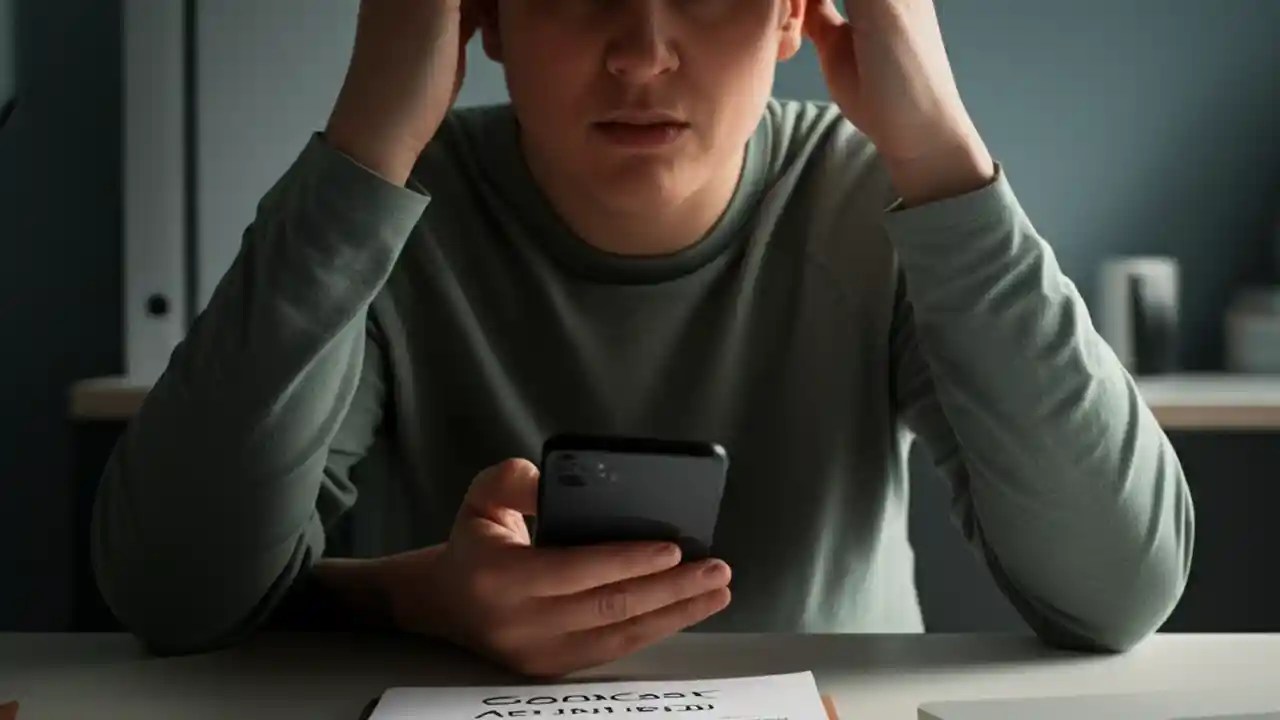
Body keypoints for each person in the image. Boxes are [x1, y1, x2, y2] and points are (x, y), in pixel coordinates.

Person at [91, 0, 1195, 677]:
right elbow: (172, 593)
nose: (641, 50)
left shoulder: (876, 201)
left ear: (790, 11)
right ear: (483, 12)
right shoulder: (392, 209)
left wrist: (942, 149)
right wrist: (371, 132)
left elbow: (1116, 591)